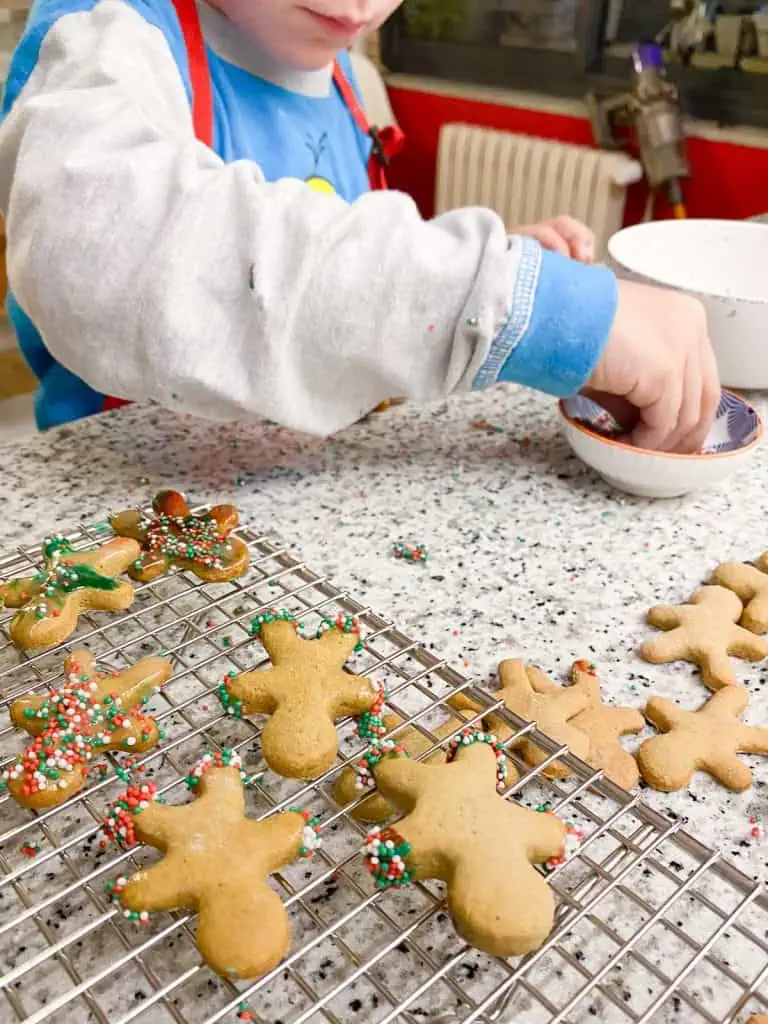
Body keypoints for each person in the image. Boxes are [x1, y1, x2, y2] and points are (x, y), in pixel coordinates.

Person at [0, 0, 719, 453]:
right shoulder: (106, 36)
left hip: (311, 475)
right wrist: (505, 300)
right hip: (135, 499)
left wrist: (470, 277)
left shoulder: (337, 69)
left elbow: (330, 264)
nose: (360, 5)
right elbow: (116, 248)